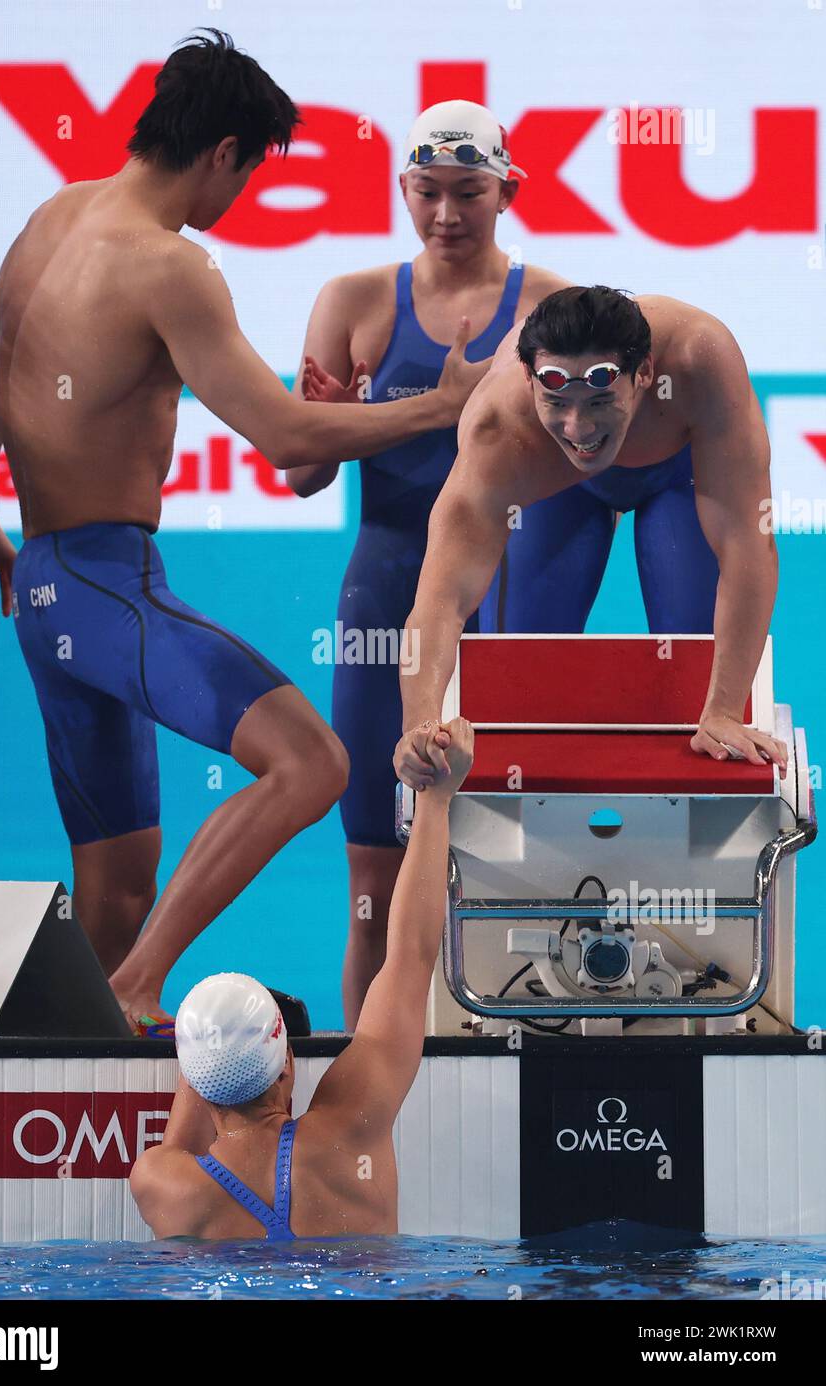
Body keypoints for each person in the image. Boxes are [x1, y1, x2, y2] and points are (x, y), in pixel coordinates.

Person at [0, 30, 484, 1033]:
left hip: (44, 589)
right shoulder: (170, 266)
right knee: (313, 763)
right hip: (107, 587)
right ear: (226, 153)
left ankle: (77, 1075)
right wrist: (435, 406)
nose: (236, 203)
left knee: (113, 888)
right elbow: (283, 432)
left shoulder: (53, 215)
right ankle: (139, 986)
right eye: (247, 176)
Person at [289, 100, 568, 1026]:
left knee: (506, 843)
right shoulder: (353, 300)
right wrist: (334, 420)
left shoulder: (548, 307)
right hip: (386, 582)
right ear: (402, 188)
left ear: (508, 191)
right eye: (426, 192)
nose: (445, 215)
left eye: (468, 193)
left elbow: (591, 453)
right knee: (373, 860)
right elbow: (299, 472)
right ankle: (367, 1075)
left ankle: (504, 1053)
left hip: (507, 578)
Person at [394, 284, 789, 797]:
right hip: (556, 488)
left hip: (680, 479)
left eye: (600, 401)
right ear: (530, 381)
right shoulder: (501, 431)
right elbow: (440, 601)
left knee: (699, 677)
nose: (579, 427)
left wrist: (724, 711)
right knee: (517, 694)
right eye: (556, 401)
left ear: (644, 374)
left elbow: (747, 548)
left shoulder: (700, 360)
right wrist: (420, 726)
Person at [129, 718, 474, 1240]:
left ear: (194, 1081)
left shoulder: (164, 1185)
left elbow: (185, 1135)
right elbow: (411, 956)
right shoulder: (351, 1129)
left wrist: (205, 1054)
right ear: (287, 1064)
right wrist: (436, 799)